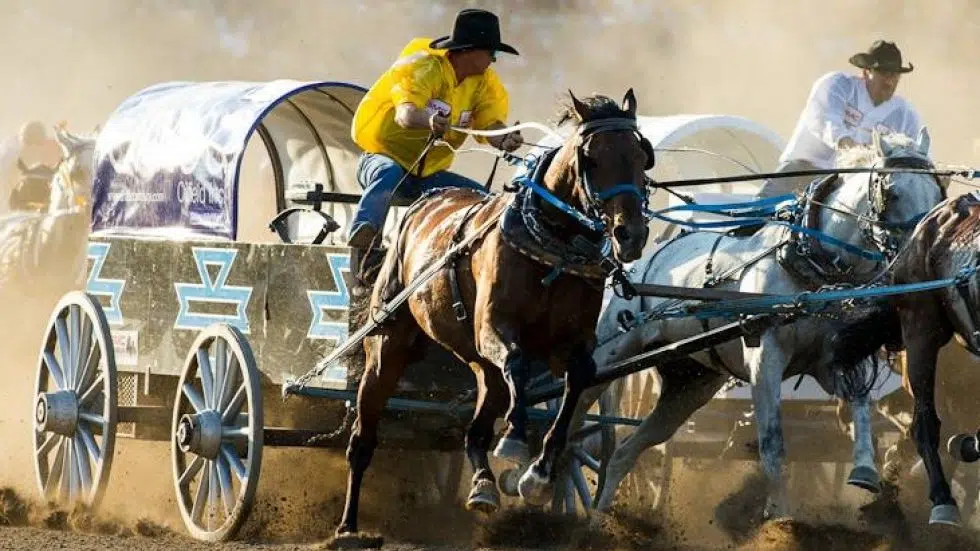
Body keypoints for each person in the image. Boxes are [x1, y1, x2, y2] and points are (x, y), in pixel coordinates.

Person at [347, 8, 524, 249]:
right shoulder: (426, 69)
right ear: (468, 51)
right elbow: (405, 114)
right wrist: (428, 121)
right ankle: (363, 239)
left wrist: (504, 138)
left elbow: (489, 123)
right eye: (491, 52)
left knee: (486, 201)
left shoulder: (484, 85)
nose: (493, 59)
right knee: (388, 173)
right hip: (383, 159)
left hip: (429, 175)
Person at [757, 40, 924, 198]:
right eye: (883, 72)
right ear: (866, 72)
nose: (889, 80)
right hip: (803, 171)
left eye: (895, 75)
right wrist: (853, 149)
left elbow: (917, 152)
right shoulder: (838, 85)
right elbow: (827, 122)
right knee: (756, 214)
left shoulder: (906, 115)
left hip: (849, 187)